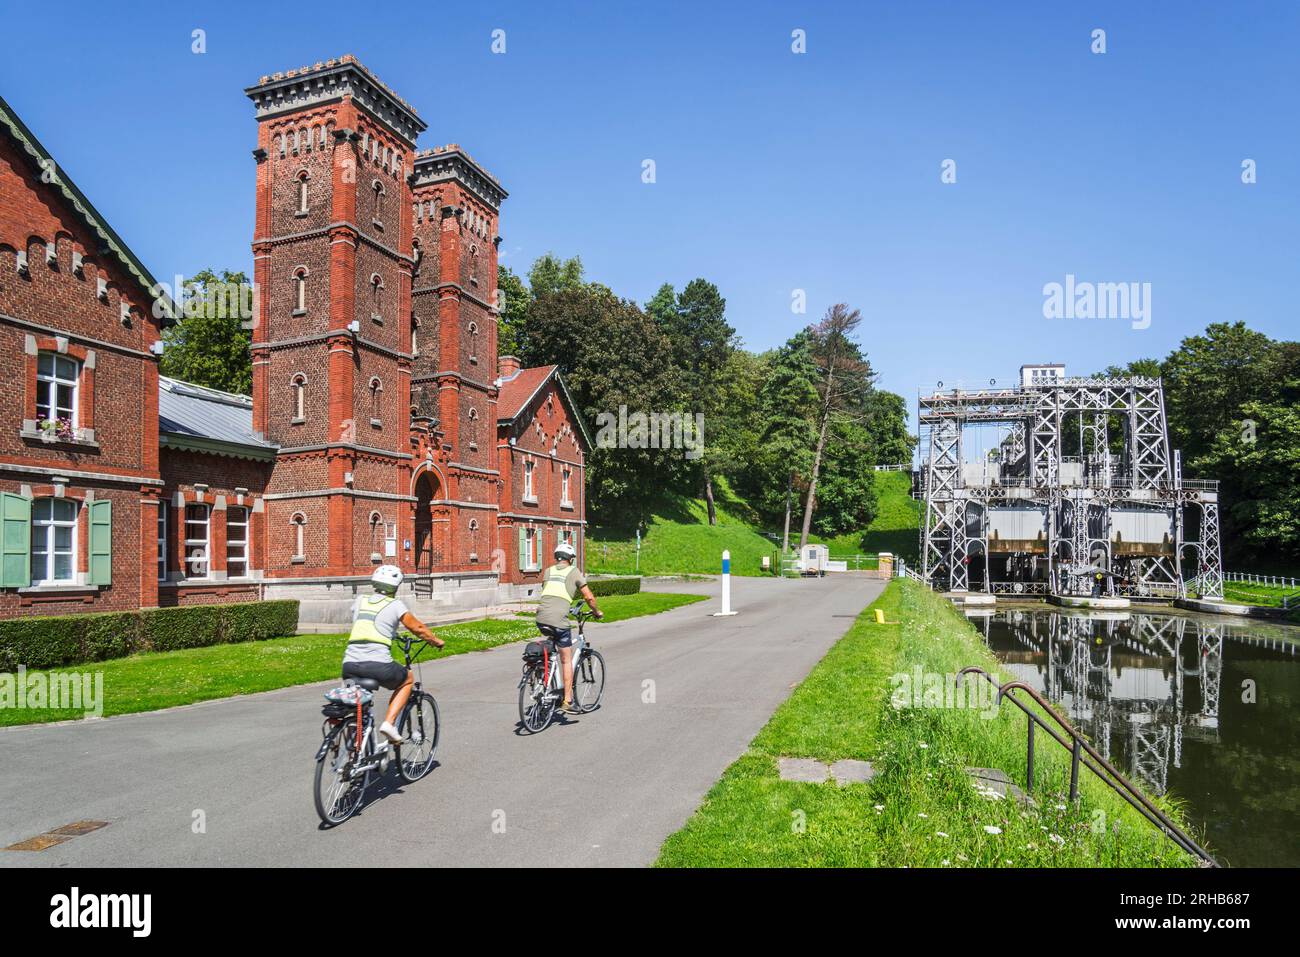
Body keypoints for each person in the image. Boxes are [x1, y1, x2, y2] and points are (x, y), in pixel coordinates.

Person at [342, 564, 444, 744]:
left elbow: (365, 621)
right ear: (395, 587)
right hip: (378, 665)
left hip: (349, 664)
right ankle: (389, 724)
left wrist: (390, 631)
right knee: (408, 679)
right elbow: (418, 628)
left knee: (358, 706)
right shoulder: (396, 605)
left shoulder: (360, 600)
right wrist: (435, 641)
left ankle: (354, 752)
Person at [536, 541, 602, 714]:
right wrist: (596, 611)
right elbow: (588, 597)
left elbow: (550, 593)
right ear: (570, 559)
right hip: (559, 620)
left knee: (552, 649)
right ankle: (567, 700)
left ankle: (546, 676)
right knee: (566, 659)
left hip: (541, 618)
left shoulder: (548, 571)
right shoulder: (574, 572)